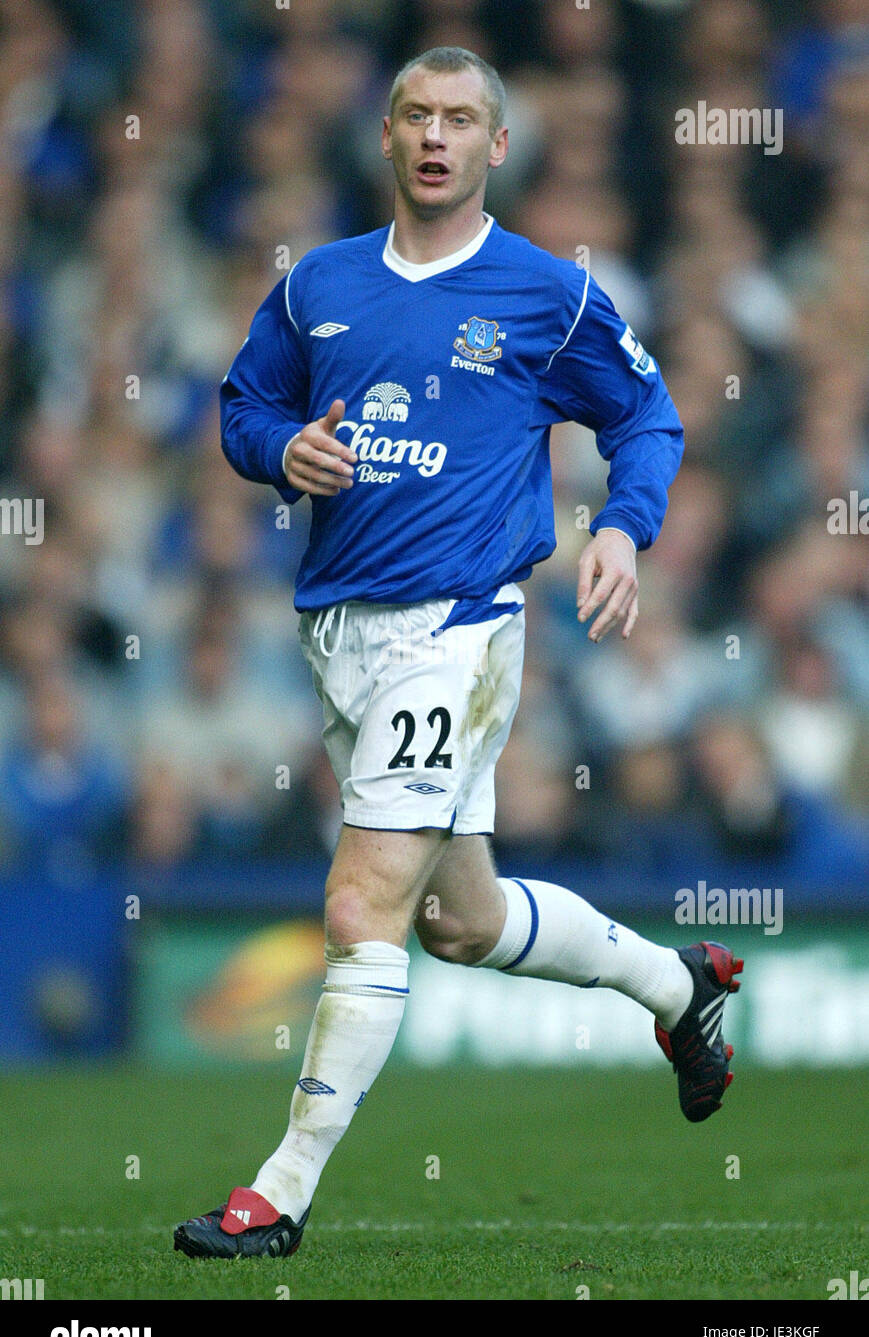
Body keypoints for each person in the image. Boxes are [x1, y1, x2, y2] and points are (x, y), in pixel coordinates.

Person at [174, 47, 742, 1262]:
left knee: (357, 902)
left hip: (458, 629)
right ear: (384, 137)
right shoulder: (315, 285)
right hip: (339, 632)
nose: (437, 136)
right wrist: (282, 453)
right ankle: (676, 987)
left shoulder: (546, 294)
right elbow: (239, 409)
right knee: (462, 924)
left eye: (462, 120)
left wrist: (624, 531)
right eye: (416, 116)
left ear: (496, 148)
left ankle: (275, 1195)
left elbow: (644, 413)